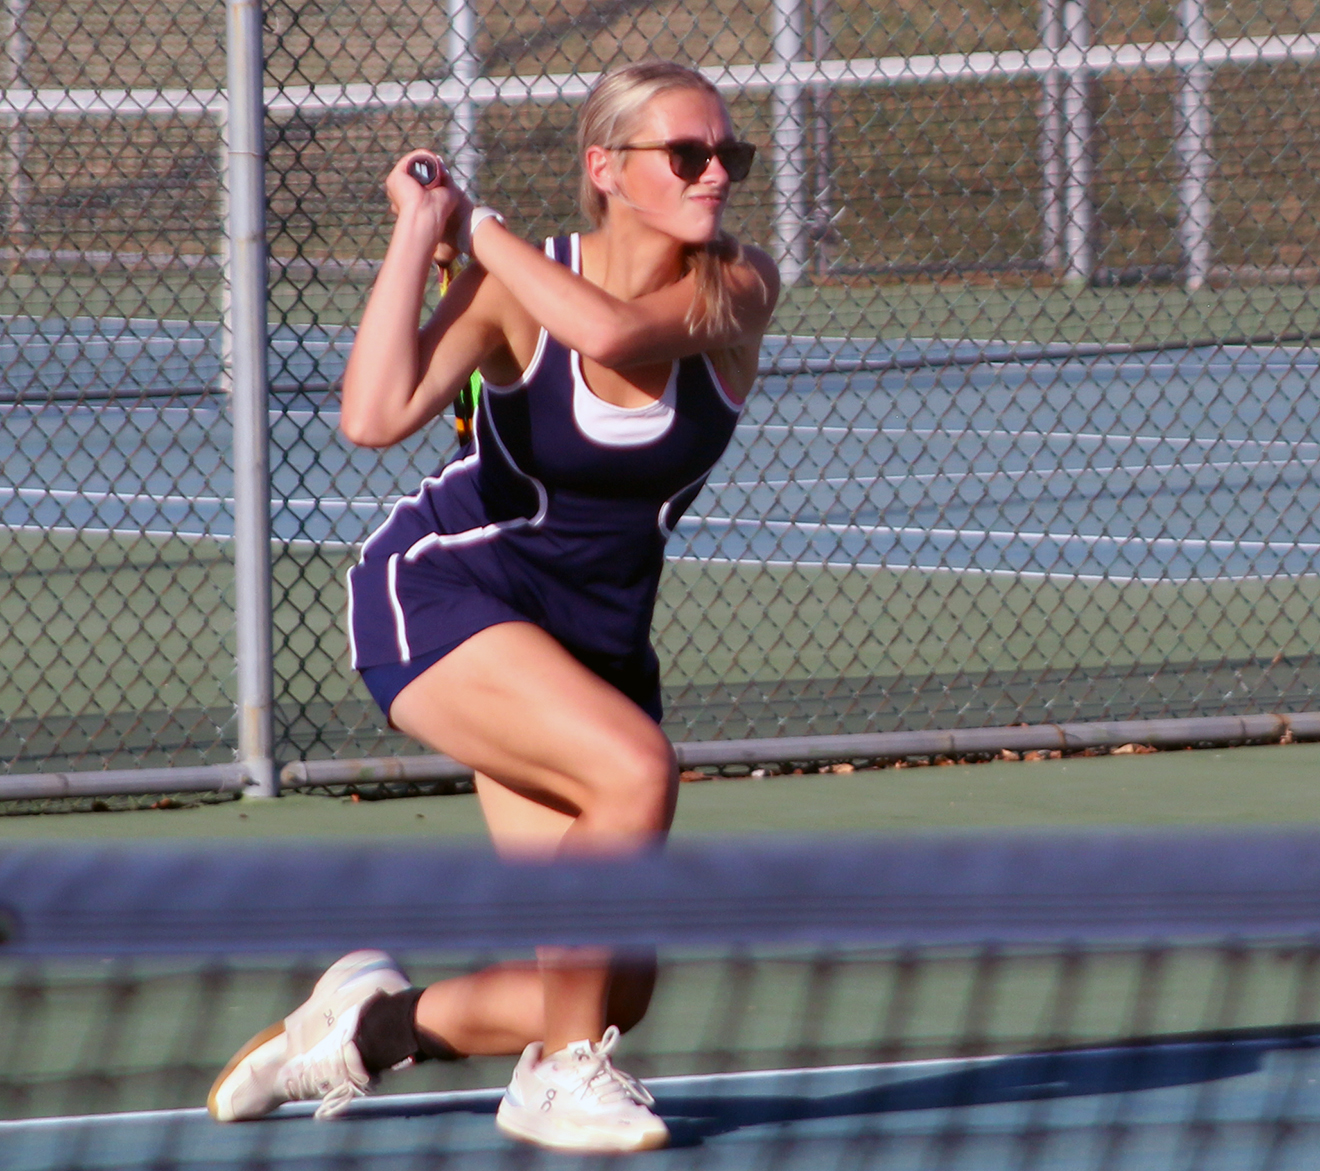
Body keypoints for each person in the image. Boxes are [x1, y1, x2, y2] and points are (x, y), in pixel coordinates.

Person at [207, 59, 779, 1154]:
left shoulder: (736, 286)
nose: (718, 175)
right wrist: (424, 230)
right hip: (445, 593)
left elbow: (610, 335)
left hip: (593, 644)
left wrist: (483, 228)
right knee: (636, 771)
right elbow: (375, 414)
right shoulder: (513, 284)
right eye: (689, 154)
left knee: (612, 994)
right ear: (605, 170)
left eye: (730, 155)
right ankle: (558, 1078)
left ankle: (367, 1025)